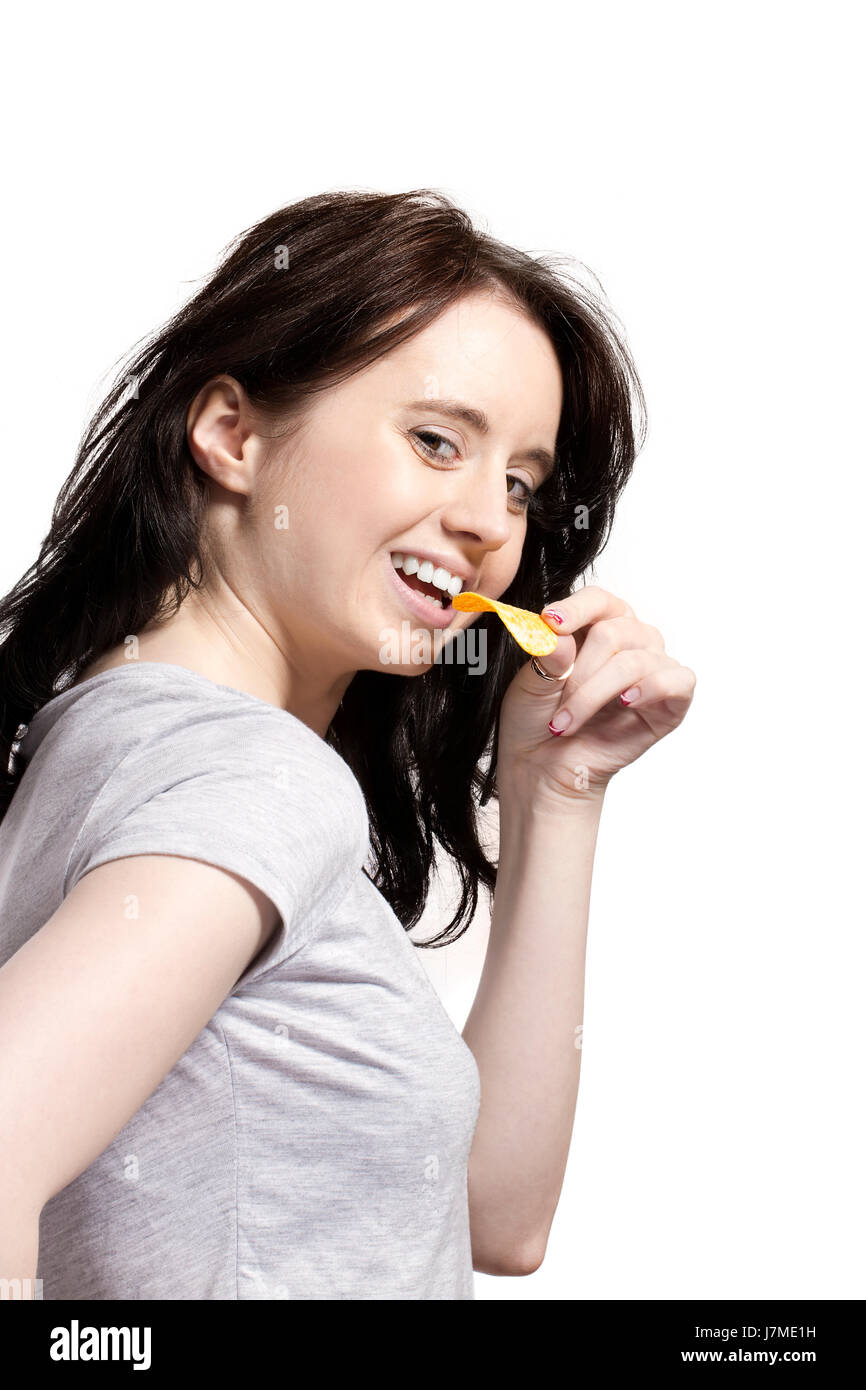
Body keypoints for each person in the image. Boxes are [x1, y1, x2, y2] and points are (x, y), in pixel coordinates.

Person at [0, 188, 696, 1300]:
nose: (488, 522)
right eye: (434, 441)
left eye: (517, 483)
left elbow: (485, 1212)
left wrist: (554, 786)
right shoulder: (255, 779)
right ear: (231, 433)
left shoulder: (99, 732)